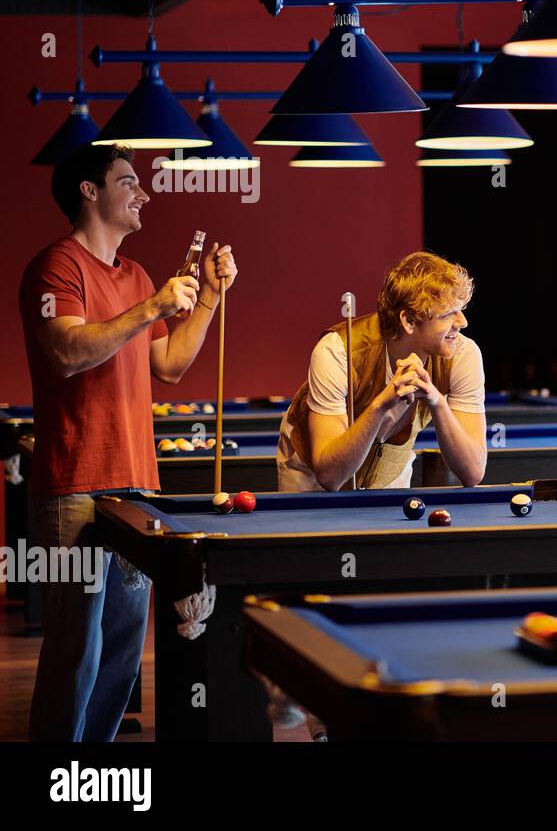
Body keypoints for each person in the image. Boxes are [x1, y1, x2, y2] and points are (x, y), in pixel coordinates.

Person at [20, 143, 237, 740]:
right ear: (90, 192)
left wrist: (209, 298)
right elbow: (67, 353)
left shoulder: (136, 274)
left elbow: (167, 363)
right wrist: (150, 309)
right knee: (75, 653)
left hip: (138, 484)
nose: (143, 193)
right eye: (128, 182)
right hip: (73, 485)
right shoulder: (55, 267)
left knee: (121, 651)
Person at [276, 250, 487, 493]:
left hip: (389, 470)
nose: (462, 322)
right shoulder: (337, 351)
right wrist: (379, 407)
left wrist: (438, 402)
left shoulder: (463, 355)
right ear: (408, 321)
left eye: (461, 310)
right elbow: (330, 477)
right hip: (311, 471)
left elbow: (473, 473)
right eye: (448, 313)